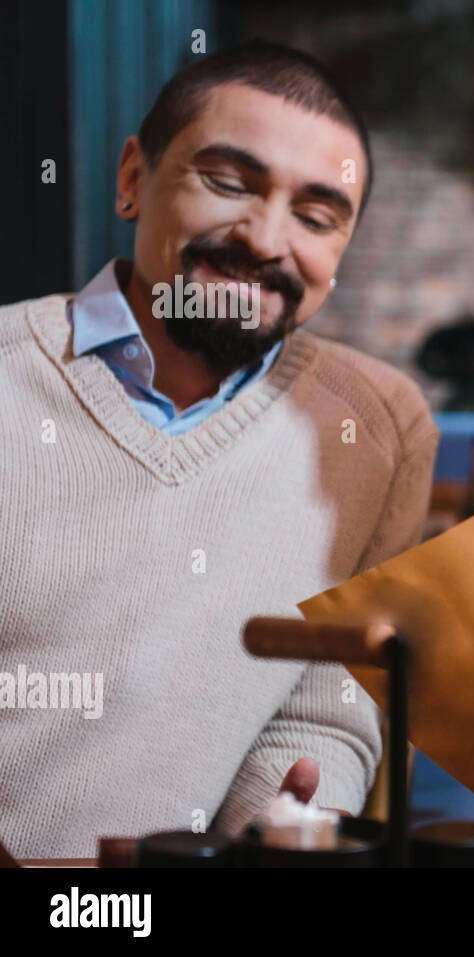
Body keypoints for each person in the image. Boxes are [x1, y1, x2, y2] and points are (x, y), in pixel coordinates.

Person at [0, 41, 437, 858]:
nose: (265, 239)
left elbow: (325, 709)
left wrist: (281, 825)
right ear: (134, 179)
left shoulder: (378, 424)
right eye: (228, 183)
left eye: (316, 216)